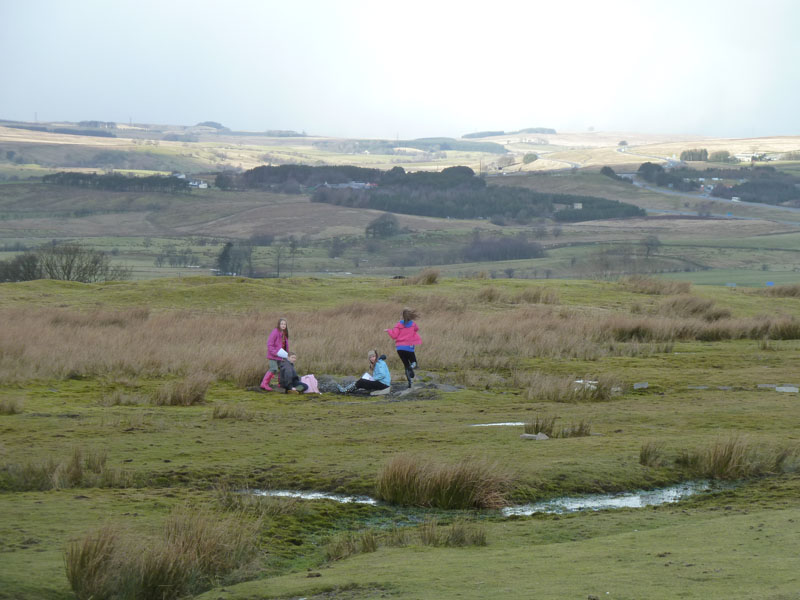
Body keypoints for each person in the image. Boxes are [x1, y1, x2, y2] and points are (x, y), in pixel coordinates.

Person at [386, 308, 421, 388]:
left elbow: (394, 336)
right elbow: (417, 329)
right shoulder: (412, 324)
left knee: (406, 365)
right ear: (410, 316)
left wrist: (388, 330)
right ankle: (411, 367)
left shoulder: (398, 324)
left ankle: (410, 383)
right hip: (409, 347)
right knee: (414, 364)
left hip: (400, 348)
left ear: (402, 316)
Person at [260, 317, 289, 391]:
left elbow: (285, 346)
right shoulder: (275, 332)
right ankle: (264, 384)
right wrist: (275, 353)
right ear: (279, 324)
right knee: (273, 368)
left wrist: (287, 355)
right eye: (282, 324)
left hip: (282, 355)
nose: (283, 325)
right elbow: (269, 344)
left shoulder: (285, 333)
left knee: (283, 368)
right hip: (273, 356)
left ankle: (280, 384)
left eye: (284, 324)